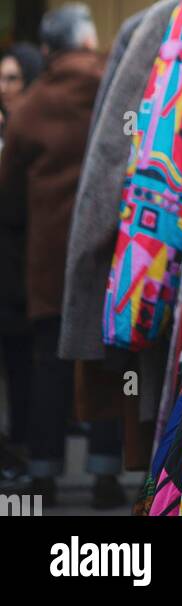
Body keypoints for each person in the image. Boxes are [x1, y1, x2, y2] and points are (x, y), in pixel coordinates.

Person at [0, 3, 124, 509]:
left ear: (48, 49)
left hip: (49, 259)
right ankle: (106, 474)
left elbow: (6, 195)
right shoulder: (116, 92)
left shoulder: (32, 106)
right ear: (90, 42)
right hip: (110, 252)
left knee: (48, 363)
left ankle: (45, 471)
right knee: (108, 363)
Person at [0, 42, 43, 483]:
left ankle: (22, 447)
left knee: (21, 361)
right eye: (1, 78)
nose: (4, 87)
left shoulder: (30, 129)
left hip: (19, 267)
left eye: (13, 78)